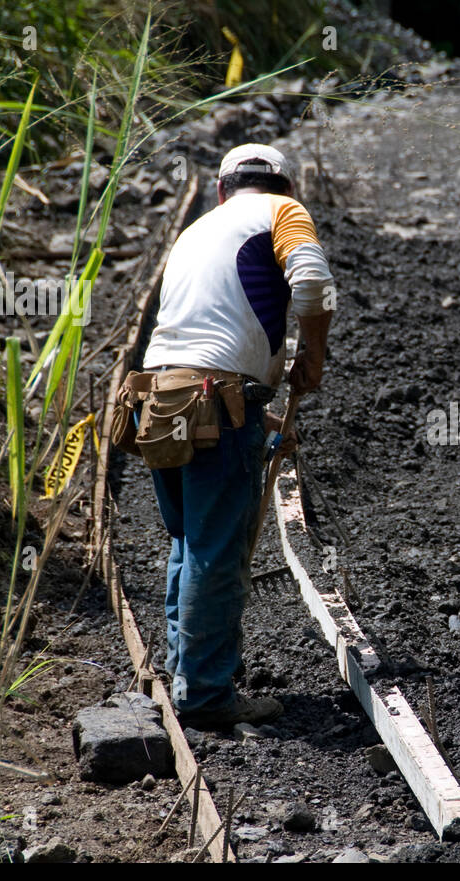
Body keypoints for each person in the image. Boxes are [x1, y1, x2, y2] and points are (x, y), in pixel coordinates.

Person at [139, 143, 333, 729]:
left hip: (155, 395)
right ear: (284, 186)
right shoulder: (282, 212)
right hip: (217, 398)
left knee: (188, 539)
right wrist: (313, 357)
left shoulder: (196, 230)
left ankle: (183, 674)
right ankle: (205, 696)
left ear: (222, 189)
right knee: (218, 548)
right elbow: (315, 284)